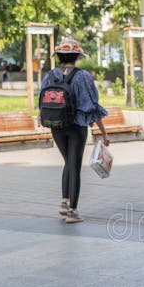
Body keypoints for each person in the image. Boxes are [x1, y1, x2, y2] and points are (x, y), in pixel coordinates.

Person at [40, 38, 110, 224]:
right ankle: (72, 212)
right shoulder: (83, 76)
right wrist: (103, 133)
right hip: (76, 126)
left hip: (56, 125)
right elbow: (92, 106)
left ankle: (64, 202)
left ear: (60, 56)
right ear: (77, 56)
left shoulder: (50, 75)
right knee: (74, 166)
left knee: (68, 162)